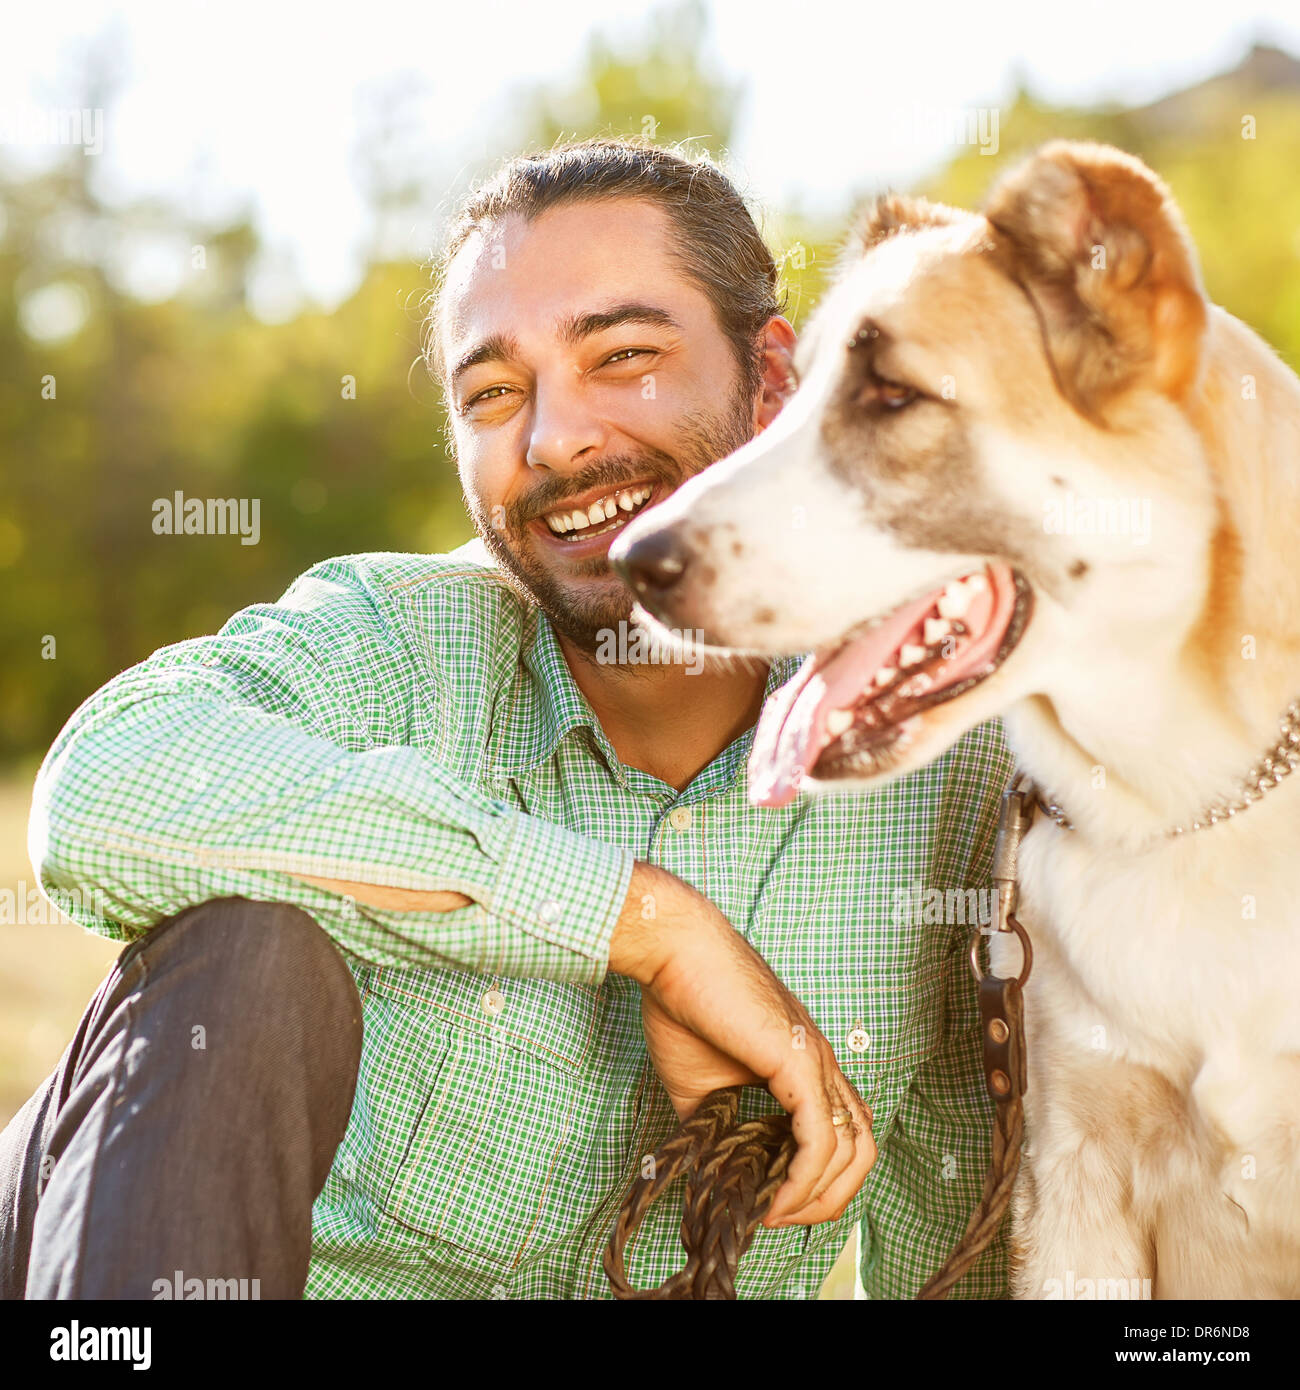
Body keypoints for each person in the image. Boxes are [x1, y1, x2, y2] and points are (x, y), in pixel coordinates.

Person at [0, 138, 1013, 1300]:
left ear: (773, 377)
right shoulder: (394, 645)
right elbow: (97, 793)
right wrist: (643, 924)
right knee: (250, 955)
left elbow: (963, 1238)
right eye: (492, 393)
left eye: (623, 356)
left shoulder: (946, 767)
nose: (555, 440)